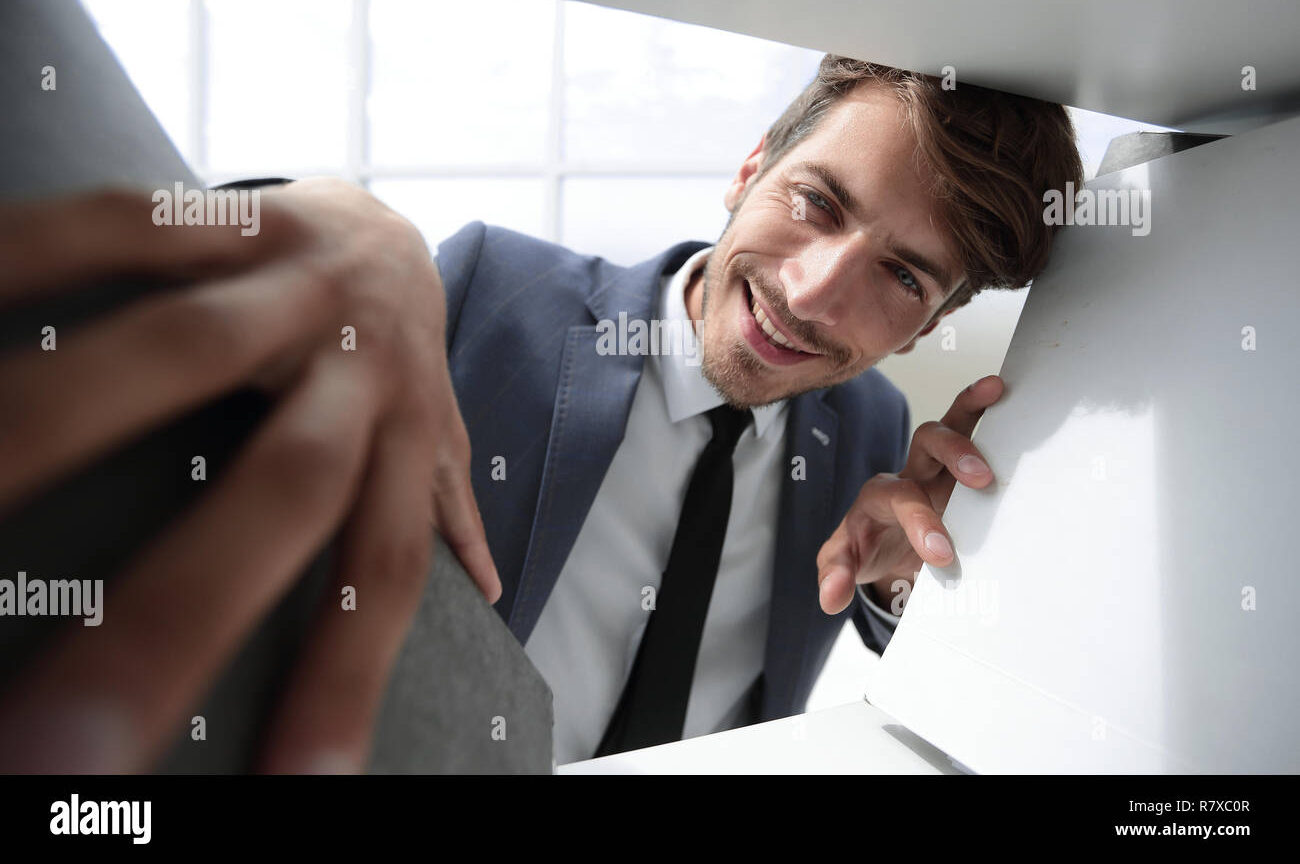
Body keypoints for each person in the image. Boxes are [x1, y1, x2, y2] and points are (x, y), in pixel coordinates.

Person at [0, 54, 1083, 771]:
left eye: (901, 276)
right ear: (749, 168)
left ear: (929, 320)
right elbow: (285, 323)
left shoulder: (866, 433)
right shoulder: (478, 291)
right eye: (815, 202)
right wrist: (325, 208)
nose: (811, 293)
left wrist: (900, 592)